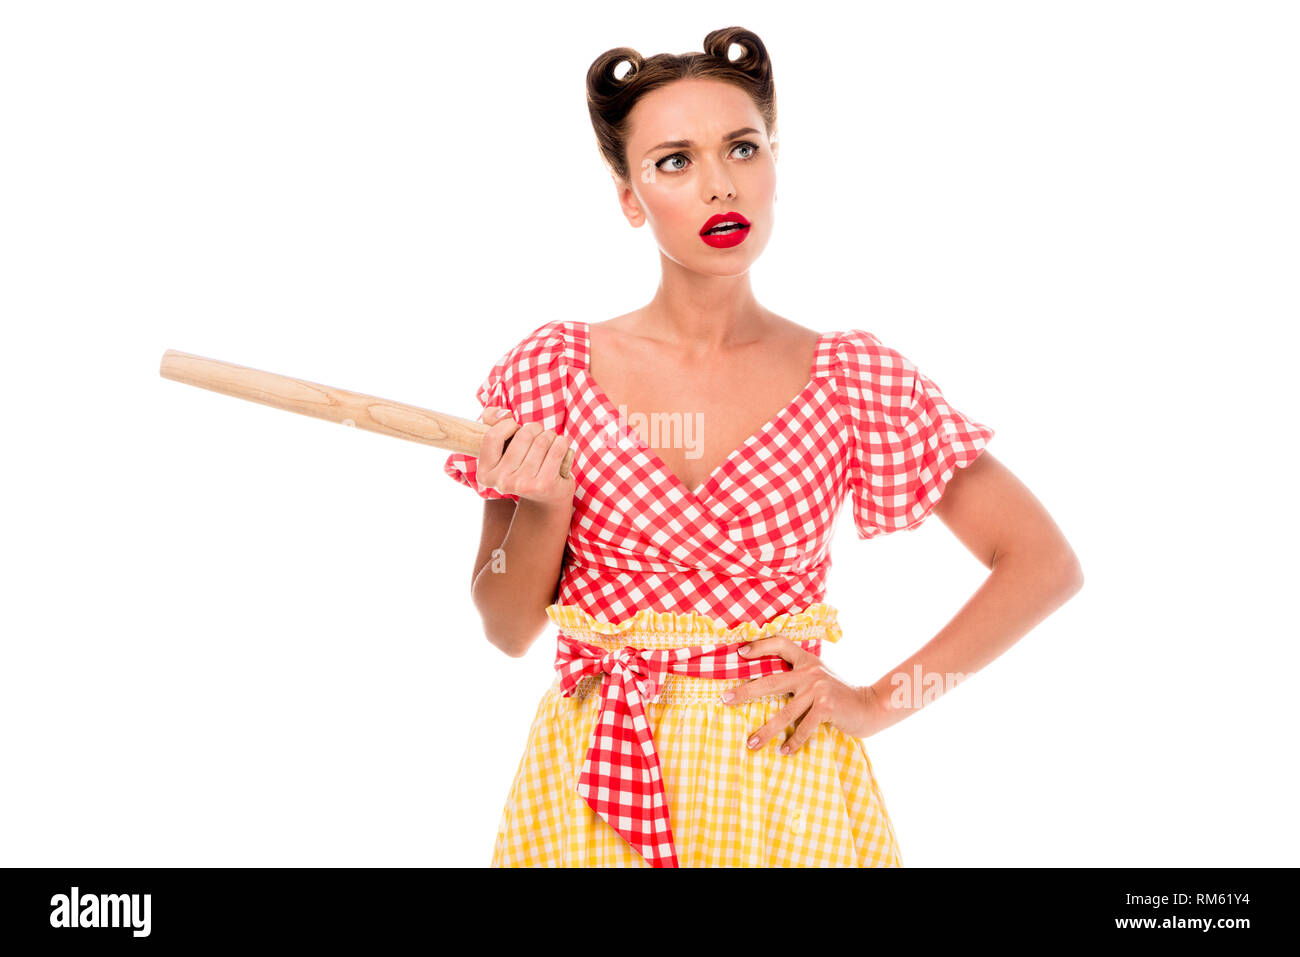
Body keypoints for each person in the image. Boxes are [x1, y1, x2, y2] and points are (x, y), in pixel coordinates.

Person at [443, 26, 1083, 867]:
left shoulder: (852, 377)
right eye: (674, 160)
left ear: (774, 163)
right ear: (630, 196)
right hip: (592, 778)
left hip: (784, 777)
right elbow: (505, 624)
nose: (719, 186)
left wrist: (880, 701)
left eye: (741, 148)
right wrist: (544, 506)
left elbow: (1041, 562)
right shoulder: (553, 371)